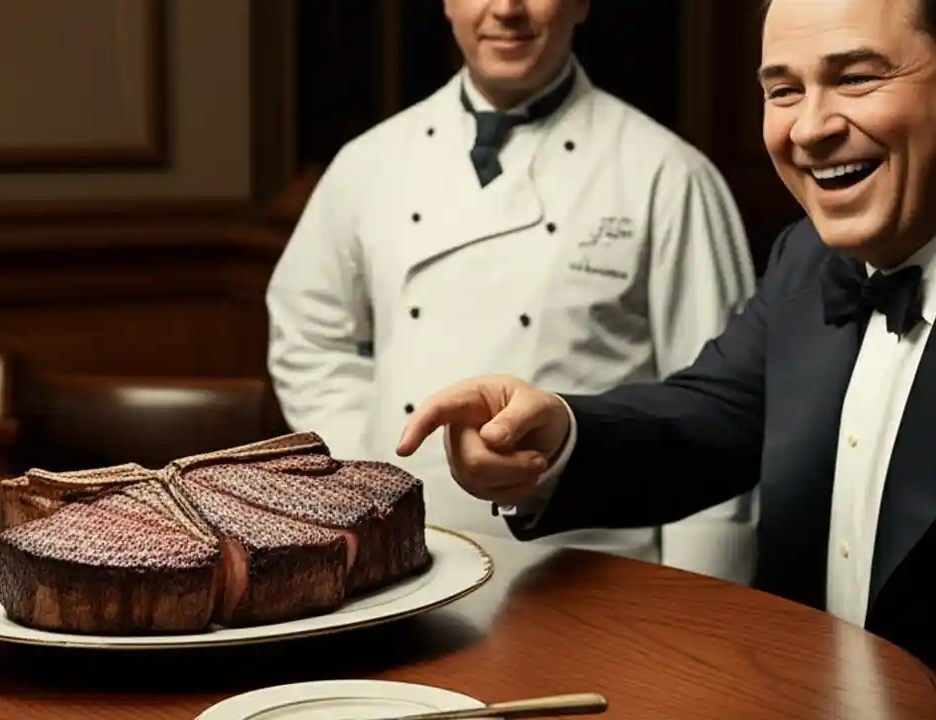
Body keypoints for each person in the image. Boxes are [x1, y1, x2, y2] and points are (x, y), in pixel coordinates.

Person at [396, 0, 936, 715]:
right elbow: (713, 415)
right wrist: (554, 435)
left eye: (858, 78)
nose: (810, 127)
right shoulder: (805, 258)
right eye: (783, 90)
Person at [265, 0, 760, 581]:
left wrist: (700, 612)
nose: (507, 10)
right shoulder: (369, 163)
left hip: (599, 577)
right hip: (408, 563)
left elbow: (721, 415)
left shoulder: (668, 176)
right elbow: (308, 333)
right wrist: (370, 466)